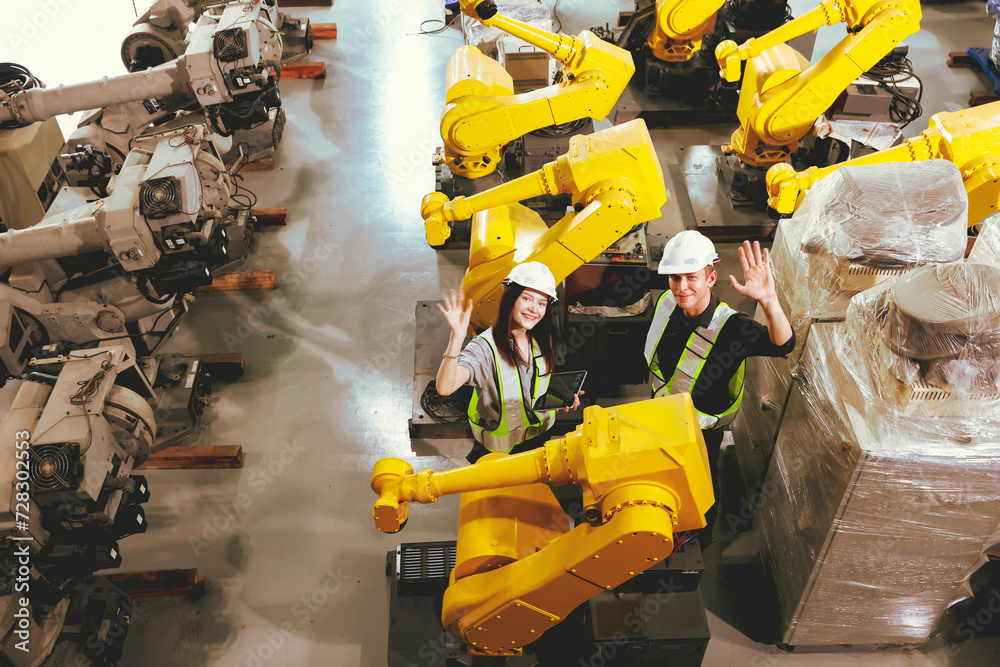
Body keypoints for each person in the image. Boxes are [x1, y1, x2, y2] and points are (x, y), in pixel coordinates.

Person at [644, 231, 794, 545]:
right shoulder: (667, 304)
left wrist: (769, 301)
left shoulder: (733, 328)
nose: (681, 287)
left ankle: (698, 541)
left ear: (711, 278)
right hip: (661, 416)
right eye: (674, 278)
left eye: (691, 277)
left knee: (701, 492)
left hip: (700, 433)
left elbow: (784, 344)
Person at [436, 262, 581, 464]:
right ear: (510, 298)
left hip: (539, 437)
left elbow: (534, 382)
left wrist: (560, 397)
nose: (534, 309)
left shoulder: (539, 338)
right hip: (500, 451)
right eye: (527, 298)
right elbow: (445, 387)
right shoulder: (485, 348)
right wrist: (457, 337)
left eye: (542, 303)